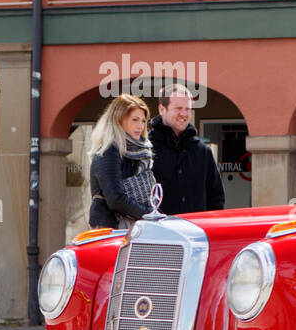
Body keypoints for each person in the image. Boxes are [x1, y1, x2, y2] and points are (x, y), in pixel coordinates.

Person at [148, 84, 225, 215]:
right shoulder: (146, 148)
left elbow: (216, 198)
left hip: (195, 231)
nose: (183, 114)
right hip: (158, 231)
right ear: (162, 109)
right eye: (178, 108)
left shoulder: (203, 151)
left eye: (187, 109)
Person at [88, 94, 156, 229]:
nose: (140, 126)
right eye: (135, 120)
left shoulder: (142, 152)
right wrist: (149, 215)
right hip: (112, 227)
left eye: (143, 121)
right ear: (118, 120)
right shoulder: (108, 151)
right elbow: (115, 199)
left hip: (138, 225)